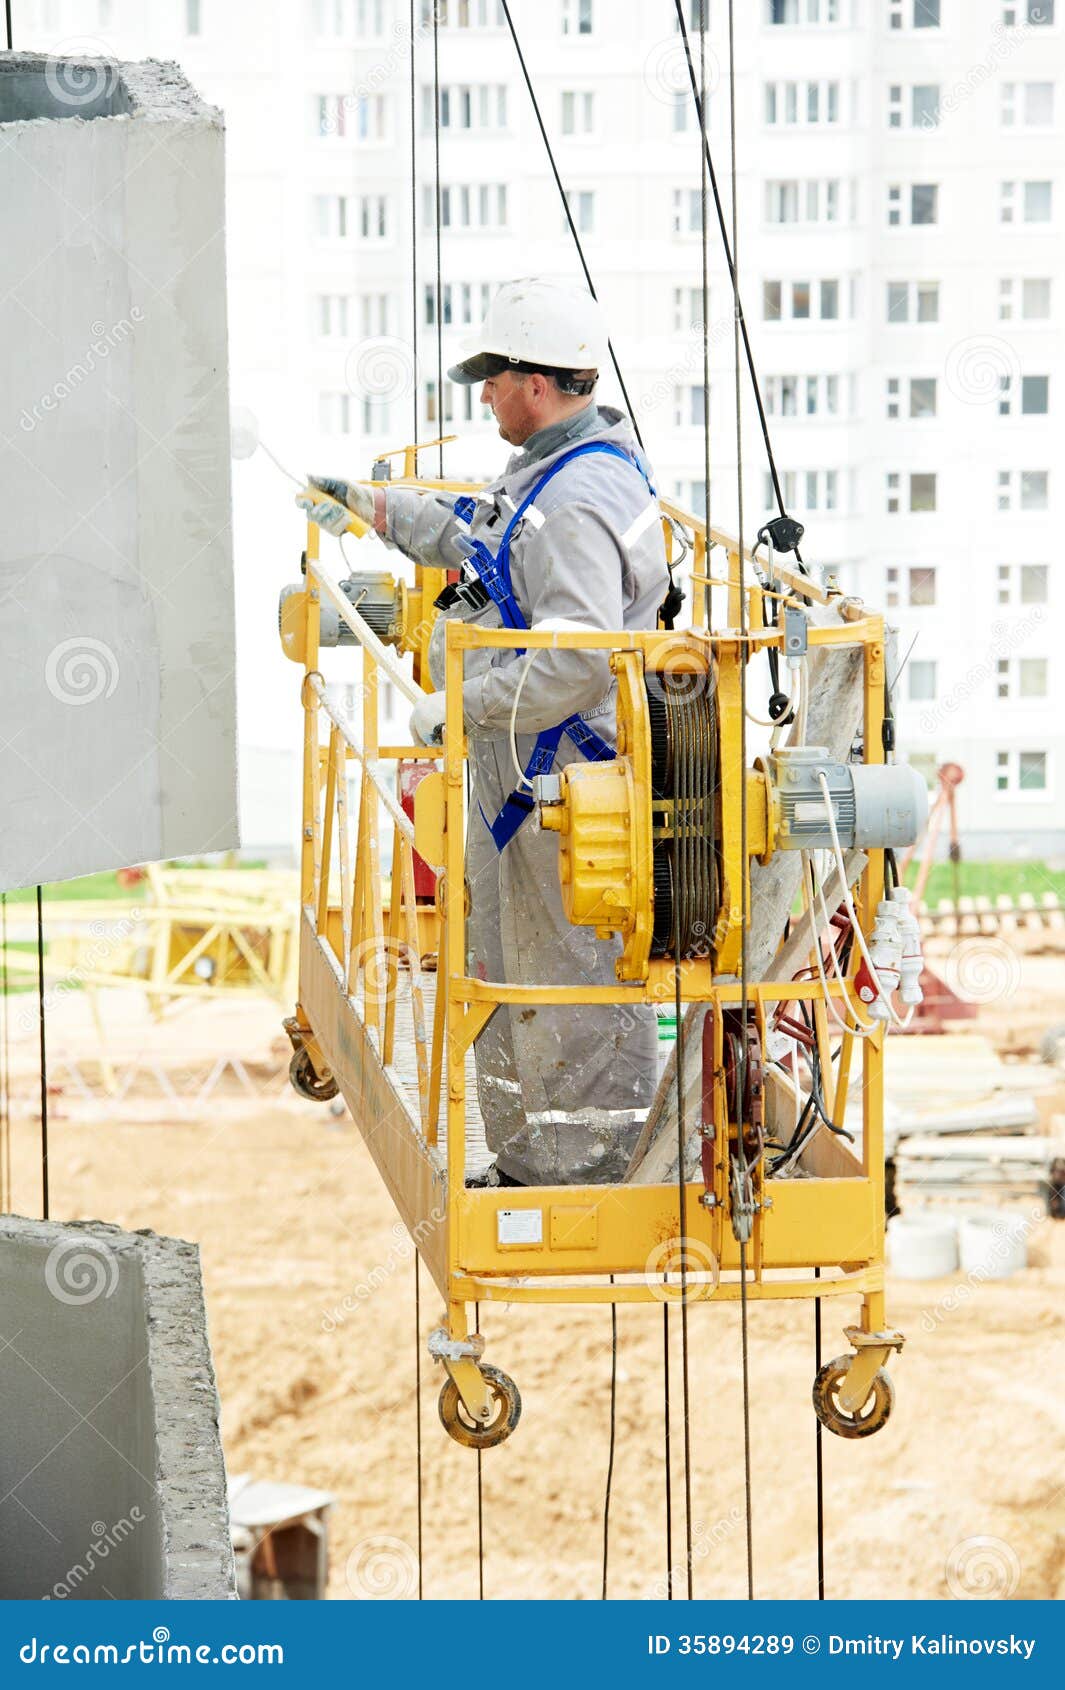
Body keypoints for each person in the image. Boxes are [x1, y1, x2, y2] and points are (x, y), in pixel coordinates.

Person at [300, 278, 670, 1187]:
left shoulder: (580, 496)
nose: (482, 396)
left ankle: (590, 1173)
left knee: (567, 987)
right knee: (500, 973)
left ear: (534, 383)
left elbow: (577, 659)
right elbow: (485, 541)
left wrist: (454, 707)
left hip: (565, 788)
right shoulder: (553, 468)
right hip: (524, 777)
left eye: (492, 379)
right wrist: (372, 509)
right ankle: (525, 1160)